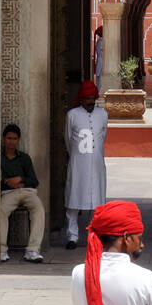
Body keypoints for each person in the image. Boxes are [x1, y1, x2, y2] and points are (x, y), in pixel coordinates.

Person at [65, 81, 108, 249]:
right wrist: (78, 155)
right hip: (78, 164)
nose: (90, 102)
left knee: (96, 201)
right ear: (81, 100)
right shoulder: (72, 115)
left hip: (97, 164)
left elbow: (103, 136)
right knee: (74, 199)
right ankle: (72, 236)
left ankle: (95, 235)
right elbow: (68, 139)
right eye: (87, 99)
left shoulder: (103, 114)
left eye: (93, 99)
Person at [0, 123, 45, 262]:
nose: (11, 141)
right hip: (8, 193)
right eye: (8, 138)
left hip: (27, 191)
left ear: (18, 140)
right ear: (3, 139)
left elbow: (34, 180)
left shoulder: (24, 158)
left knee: (39, 209)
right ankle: (1, 250)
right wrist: (8, 182)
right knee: (0, 211)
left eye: (14, 138)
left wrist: (20, 179)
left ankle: (32, 250)